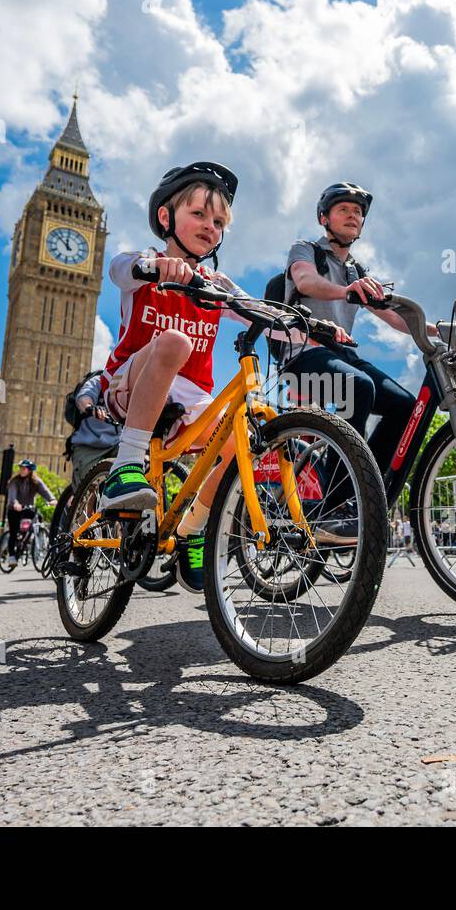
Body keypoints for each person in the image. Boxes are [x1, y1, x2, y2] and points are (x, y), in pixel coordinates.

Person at [95, 162, 344, 593]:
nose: (210, 227)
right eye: (199, 215)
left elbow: (260, 313)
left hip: (190, 406)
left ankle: (194, 527)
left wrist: (312, 329)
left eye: (218, 222)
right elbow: (119, 269)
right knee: (174, 342)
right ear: (165, 218)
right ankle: (125, 466)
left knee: (241, 435)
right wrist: (153, 268)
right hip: (128, 387)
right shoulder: (146, 263)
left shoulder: (215, 282)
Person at [283, 184, 427, 526]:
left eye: (359, 211)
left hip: (343, 355)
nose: (353, 215)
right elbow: (305, 282)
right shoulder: (305, 250)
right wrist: (346, 292)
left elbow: (394, 317)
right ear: (324, 218)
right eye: (344, 209)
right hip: (303, 352)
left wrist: (437, 329)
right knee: (359, 387)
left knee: (407, 406)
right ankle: (332, 506)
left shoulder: (356, 271)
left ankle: (362, 495)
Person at [4, 459, 56, 570]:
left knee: (39, 516)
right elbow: (12, 494)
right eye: (21, 468)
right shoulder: (15, 481)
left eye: (24, 468)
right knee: (13, 532)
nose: (22, 470)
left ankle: (36, 534)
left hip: (28, 508)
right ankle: (12, 556)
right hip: (14, 509)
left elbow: (45, 491)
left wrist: (52, 499)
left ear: (30, 470)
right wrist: (15, 503)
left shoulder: (36, 481)